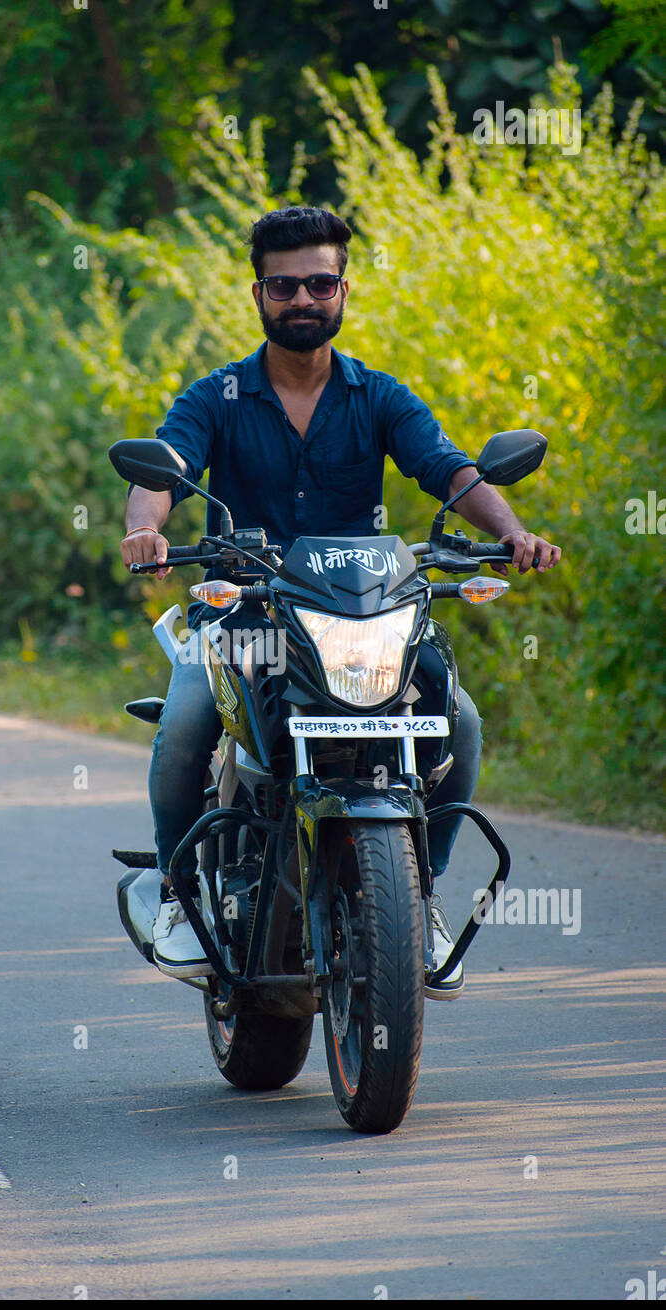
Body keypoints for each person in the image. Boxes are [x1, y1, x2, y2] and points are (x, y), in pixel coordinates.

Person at [120, 206, 561, 992]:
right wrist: (147, 531)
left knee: (457, 718)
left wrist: (514, 532)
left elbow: (450, 471)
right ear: (259, 293)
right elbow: (161, 471)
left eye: (318, 283)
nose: (302, 299)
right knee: (188, 716)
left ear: (342, 290)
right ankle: (177, 895)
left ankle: (414, 895)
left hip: (368, 620)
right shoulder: (216, 396)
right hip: (246, 615)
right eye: (284, 285)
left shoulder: (379, 396)